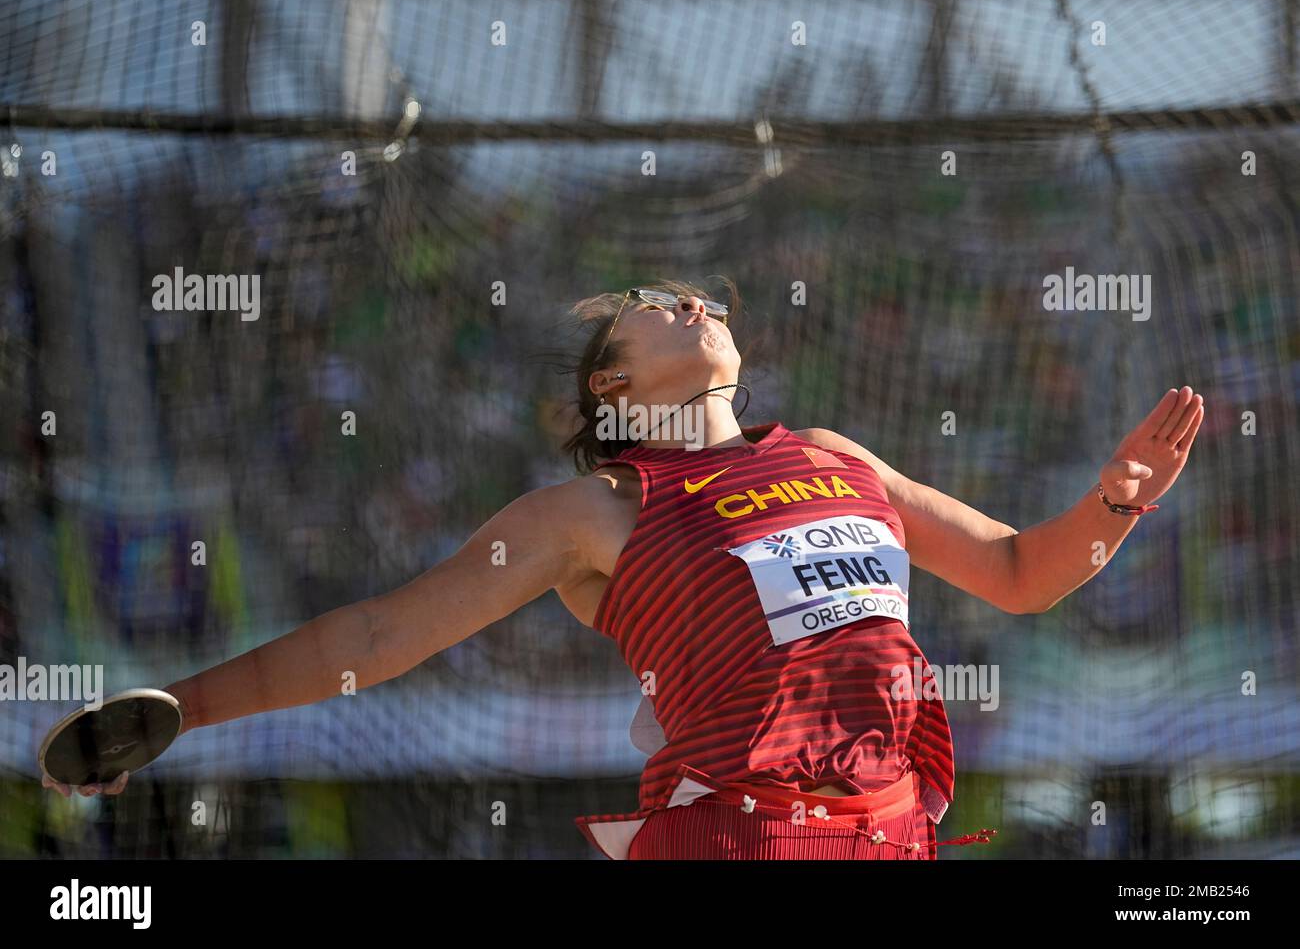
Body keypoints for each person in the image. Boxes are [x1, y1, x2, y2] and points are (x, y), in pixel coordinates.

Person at [42, 279, 1205, 860]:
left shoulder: (837, 454)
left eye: (700, 297)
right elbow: (378, 638)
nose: (694, 300)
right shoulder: (592, 509)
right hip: (742, 837)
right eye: (657, 308)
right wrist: (184, 708)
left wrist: (1114, 505)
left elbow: (1018, 572)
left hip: (890, 829)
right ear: (611, 384)